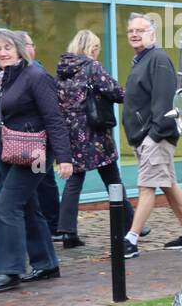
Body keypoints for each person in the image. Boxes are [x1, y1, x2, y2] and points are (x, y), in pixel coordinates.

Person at [0, 28, 74, 293]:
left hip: (37, 153)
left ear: (19, 49)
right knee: (27, 206)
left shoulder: (35, 76)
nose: (2, 52)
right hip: (9, 151)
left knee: (7, 205)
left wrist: (64, 158)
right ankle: (46, 264)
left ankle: (9, 270)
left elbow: (54, 118)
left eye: (7, 47)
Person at [121, 13, 182, 259]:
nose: (134, 34)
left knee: (146, 187)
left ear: (152, 35)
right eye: (131, 30)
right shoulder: (141, 60)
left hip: (156, 137)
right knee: (168, 184)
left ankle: (131, 240)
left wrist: (154, 135)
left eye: (140, 30)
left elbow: (164, 100)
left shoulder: (158, 59)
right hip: (147, 137)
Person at [54, 30, 135, 248]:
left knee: (74, 180)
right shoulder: (92, 66)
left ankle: (67, 231)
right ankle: (131, 224)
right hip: (94, 131)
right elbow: (115, 91)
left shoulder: (62, 69)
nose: (97, 52)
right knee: (112, 178)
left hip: (71, 132)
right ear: (92, 48)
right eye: (96, 48)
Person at [18, 32, 62, 238]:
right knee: (32, 187)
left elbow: (53, 116)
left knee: (43, 183)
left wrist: (62, 155)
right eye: (25, 45)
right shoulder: (6, 74)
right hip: (17, 144)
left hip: (38, 144)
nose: (30, 49)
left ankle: (52, 226)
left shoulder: (38, 72)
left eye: (31, 44)